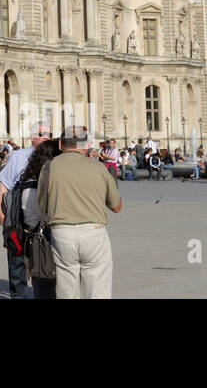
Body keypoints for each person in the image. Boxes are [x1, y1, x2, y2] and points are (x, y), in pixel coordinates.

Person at [37, 125, 122, 299]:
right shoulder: (99, 168)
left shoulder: (47, 169)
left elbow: (41, 205)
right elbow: (116, 207)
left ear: (61, 144)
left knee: (66, 291)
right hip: (94, 233)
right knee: (97, 290)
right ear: (86, 145)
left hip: (62, 233)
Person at [0, 124, 53, 300]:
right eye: (42, 134)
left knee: (44, 258)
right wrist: (0, 211)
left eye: (48, 134)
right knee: (17, 256)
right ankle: (18, 294)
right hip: (19, 217)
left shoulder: (55, 157)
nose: (46, 137)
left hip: (46, 218)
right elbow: (4, 185)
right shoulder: (19, 156)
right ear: (32, 137)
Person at [13, 139, 62, 299]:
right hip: (51, 242)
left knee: (40, 288)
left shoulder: (25, 183)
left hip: (32, 243)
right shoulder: (47, 185)